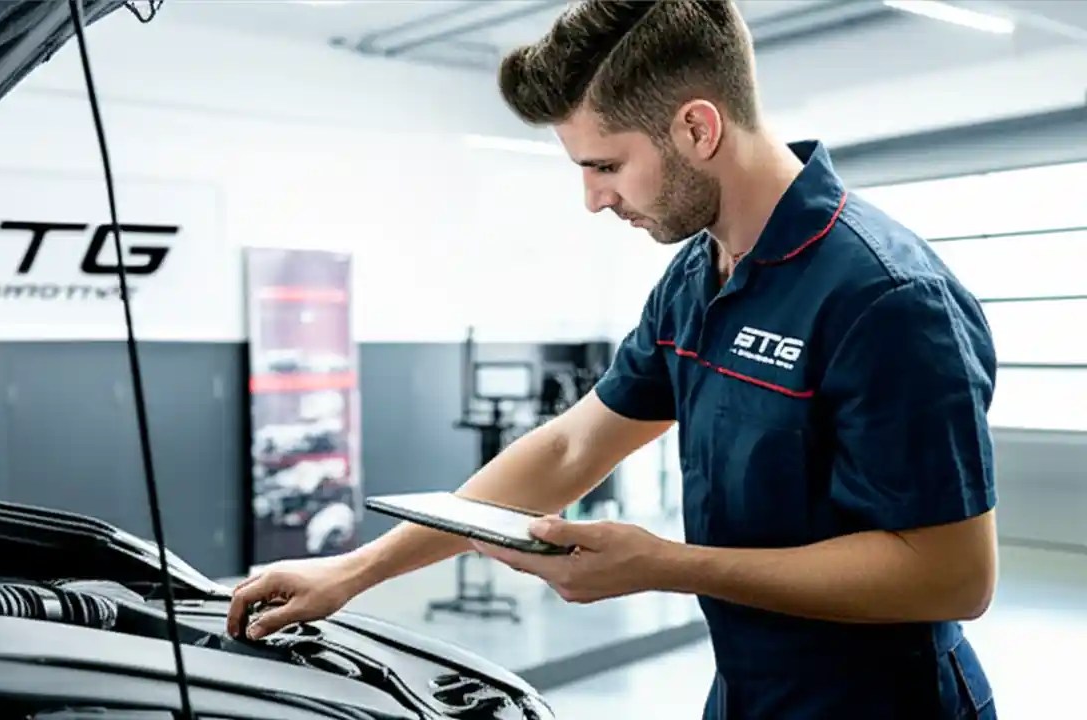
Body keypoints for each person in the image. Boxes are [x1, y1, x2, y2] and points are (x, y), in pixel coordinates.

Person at [228, 1, 1000, 717]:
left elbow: (953, 576)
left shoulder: (886, 298)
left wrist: (669, 564)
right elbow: (573, 444)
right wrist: (354, 572)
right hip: (744, 691)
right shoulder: (698, 278)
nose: (594, 199)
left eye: (604, 166)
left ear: (698, 129)